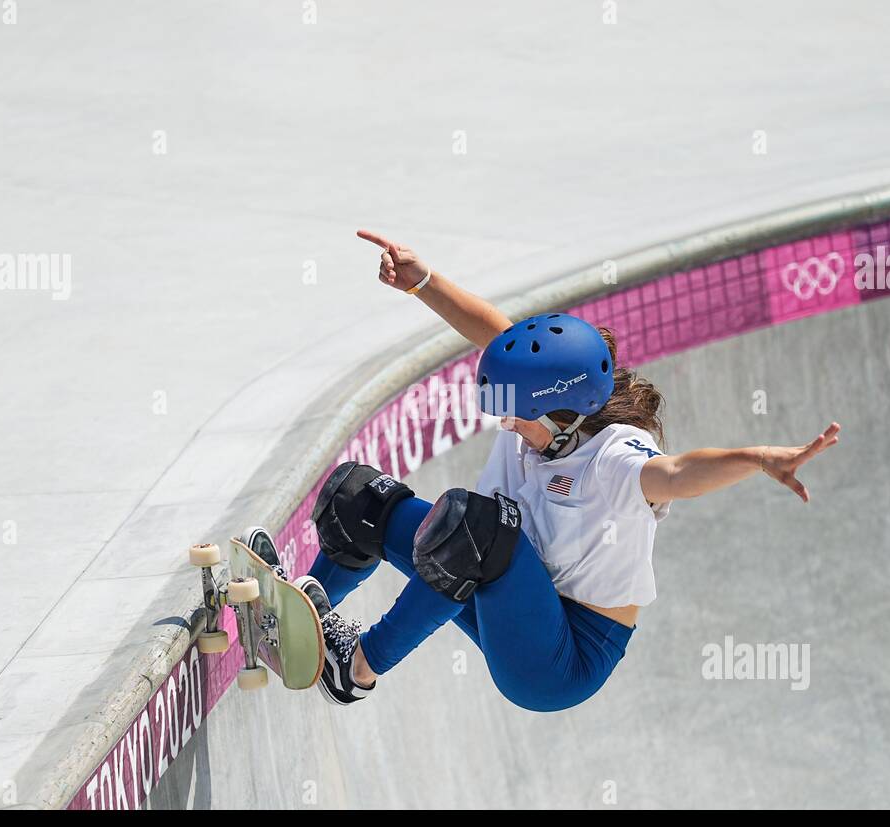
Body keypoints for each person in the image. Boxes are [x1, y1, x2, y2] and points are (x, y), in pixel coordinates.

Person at [250, 231, 840, 712]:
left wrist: (761, 458)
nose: (506, 424)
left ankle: (355, 670)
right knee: (357, 499)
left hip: (560, 659)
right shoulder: (541, 402)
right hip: (504, 592)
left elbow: (680, 473)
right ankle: (309, 612)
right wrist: (422, 282)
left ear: (562, 416)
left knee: (477, 523)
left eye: (518, 415)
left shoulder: (612, 457)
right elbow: (499, 335)